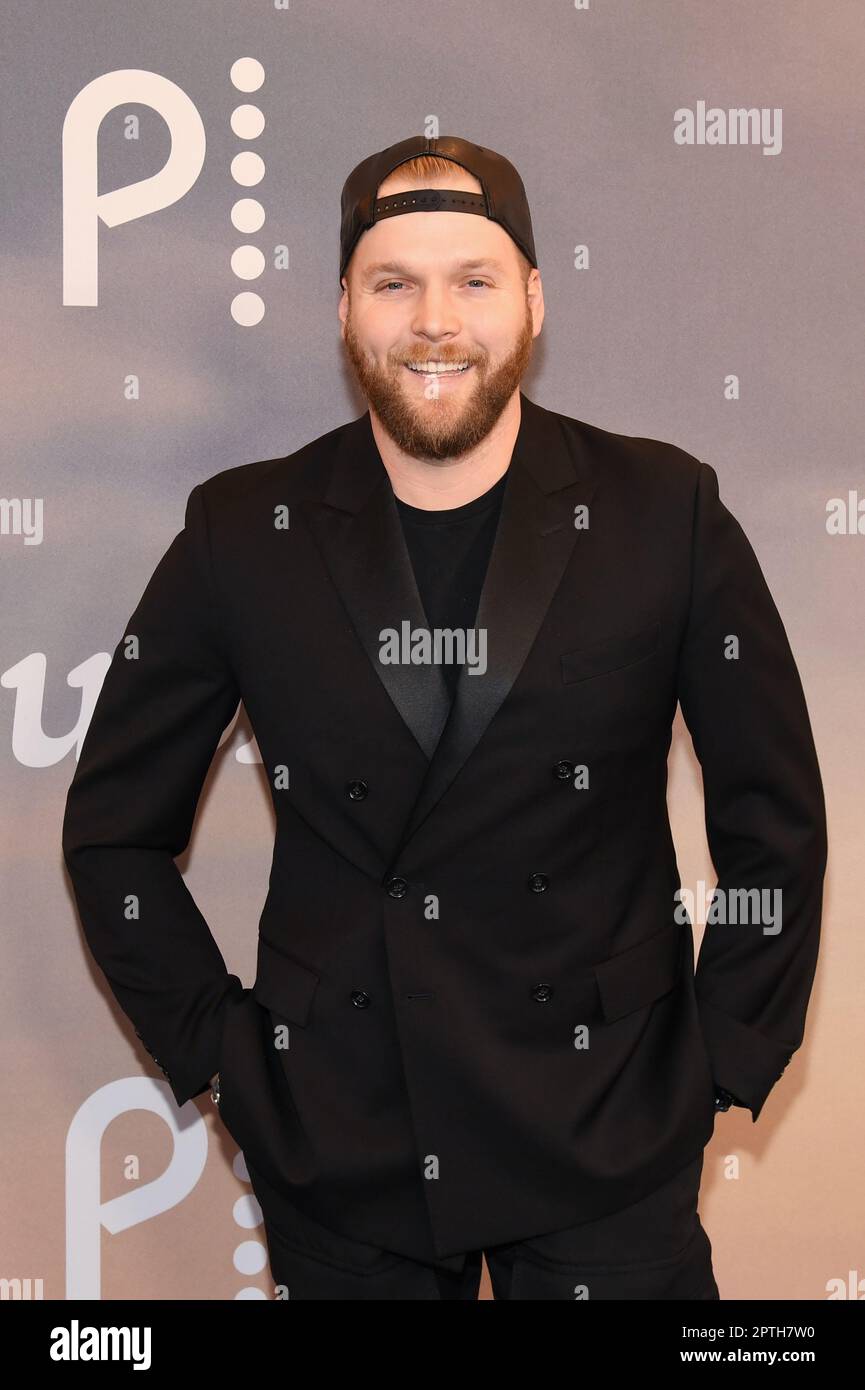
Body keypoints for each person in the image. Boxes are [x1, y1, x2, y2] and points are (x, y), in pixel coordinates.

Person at [62, 135, 827, 1300]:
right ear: (343, 309)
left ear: (530, 298)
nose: (434, 320)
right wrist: (226, 1056)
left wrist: (722, 1056)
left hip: (607, 1129)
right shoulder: (241, 533)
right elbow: (114, 829)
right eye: (393, 282)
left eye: (471, 280)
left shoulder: (664, 511)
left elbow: (775, 815)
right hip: (344, 1142)